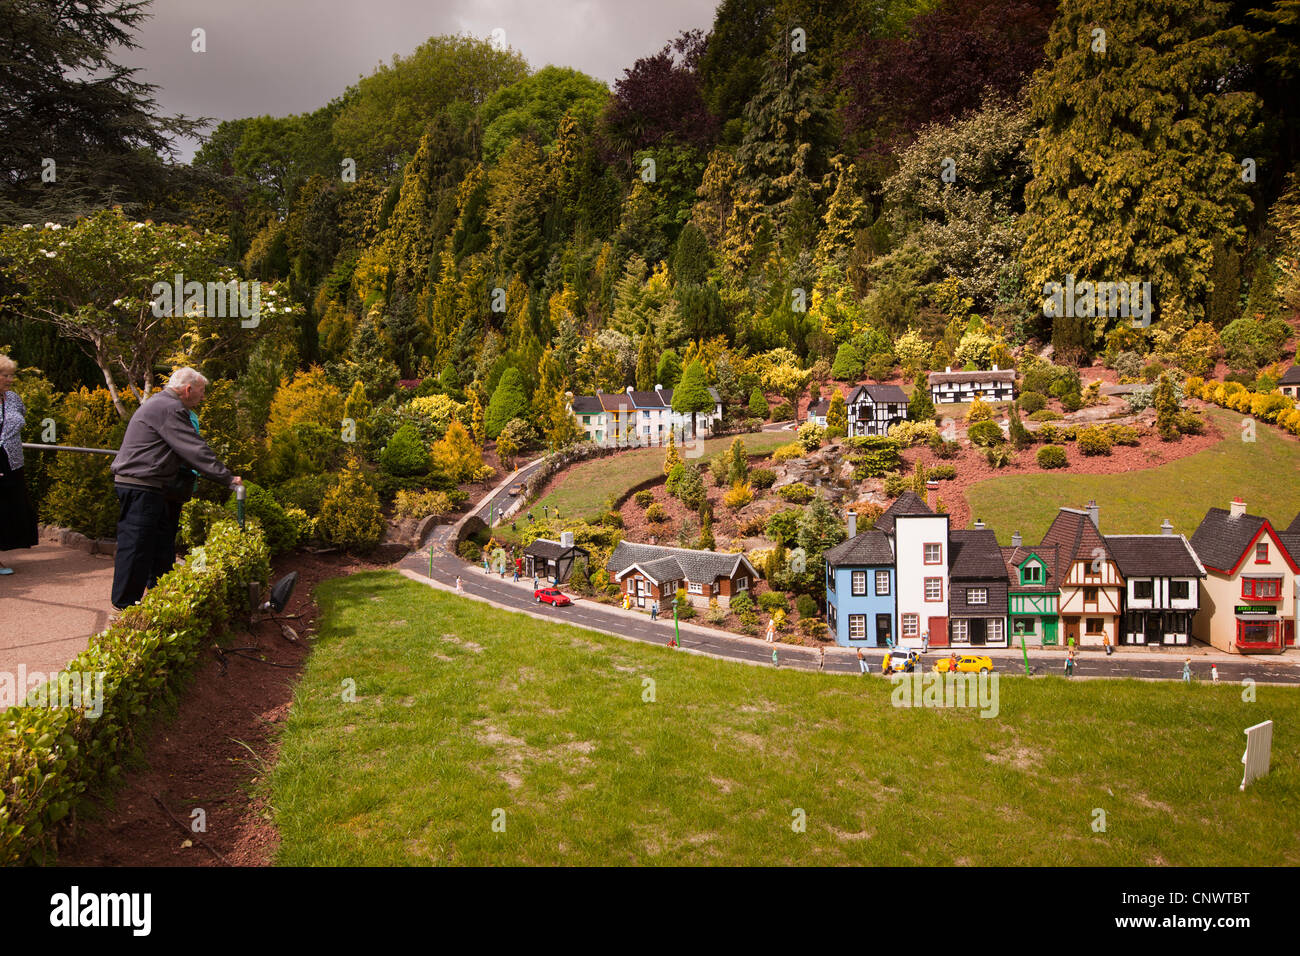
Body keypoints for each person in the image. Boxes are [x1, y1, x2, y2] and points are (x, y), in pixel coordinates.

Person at [109, 368, 242, 609]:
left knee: (159, 545)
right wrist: (228, 479)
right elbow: (194, 450)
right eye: (201, 393)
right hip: (140, 485)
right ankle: (124, 604)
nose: (202, 398)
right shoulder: (171, 408)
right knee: (136, 545)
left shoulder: (163, 404)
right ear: (188, 390)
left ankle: (160, 597)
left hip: (151, 486)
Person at [0, 355, 39, 573]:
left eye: (10, 375)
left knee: (10, 510)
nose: (9, 379)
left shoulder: (13, 398)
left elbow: (20, 416)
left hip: (12, 461)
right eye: (5, 375)